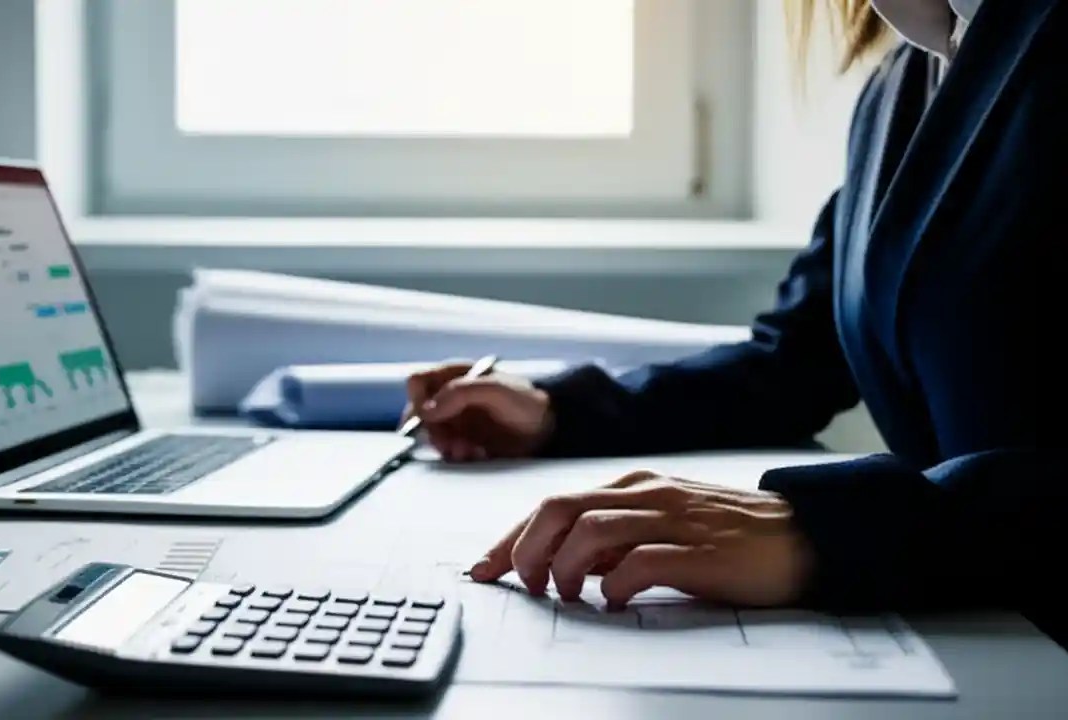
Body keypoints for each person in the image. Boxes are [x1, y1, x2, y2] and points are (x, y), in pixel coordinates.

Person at [405, 0, 1063, 646]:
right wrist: (562, 411)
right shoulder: (902, 82)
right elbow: (794, 360)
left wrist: (831, 529)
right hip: (975, 636)